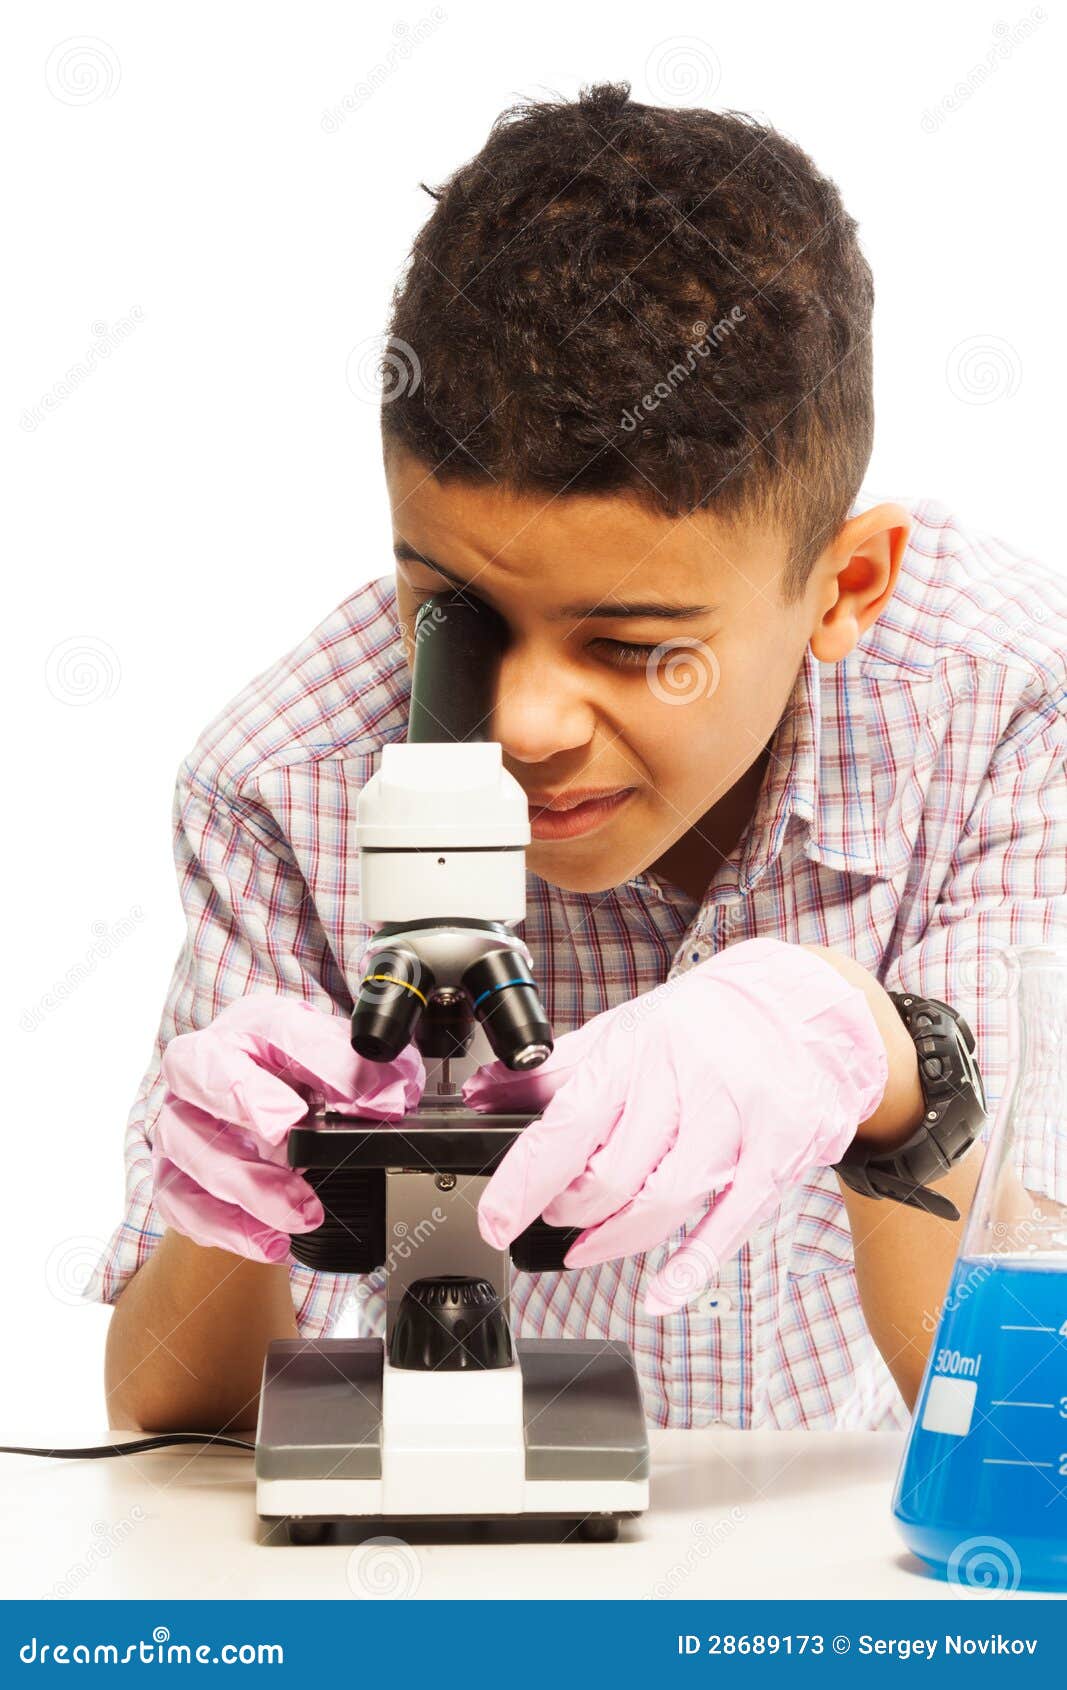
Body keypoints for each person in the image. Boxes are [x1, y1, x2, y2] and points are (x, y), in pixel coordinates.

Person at [88, 83, 1067, 1437]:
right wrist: (239, 1206)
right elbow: (176, 1410)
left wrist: (885, 1062)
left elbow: (1005, 1424)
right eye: (456, 615)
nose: (528, 724)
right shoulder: (286, 779)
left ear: (847, 584)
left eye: (630, 645)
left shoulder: (1006, 706)